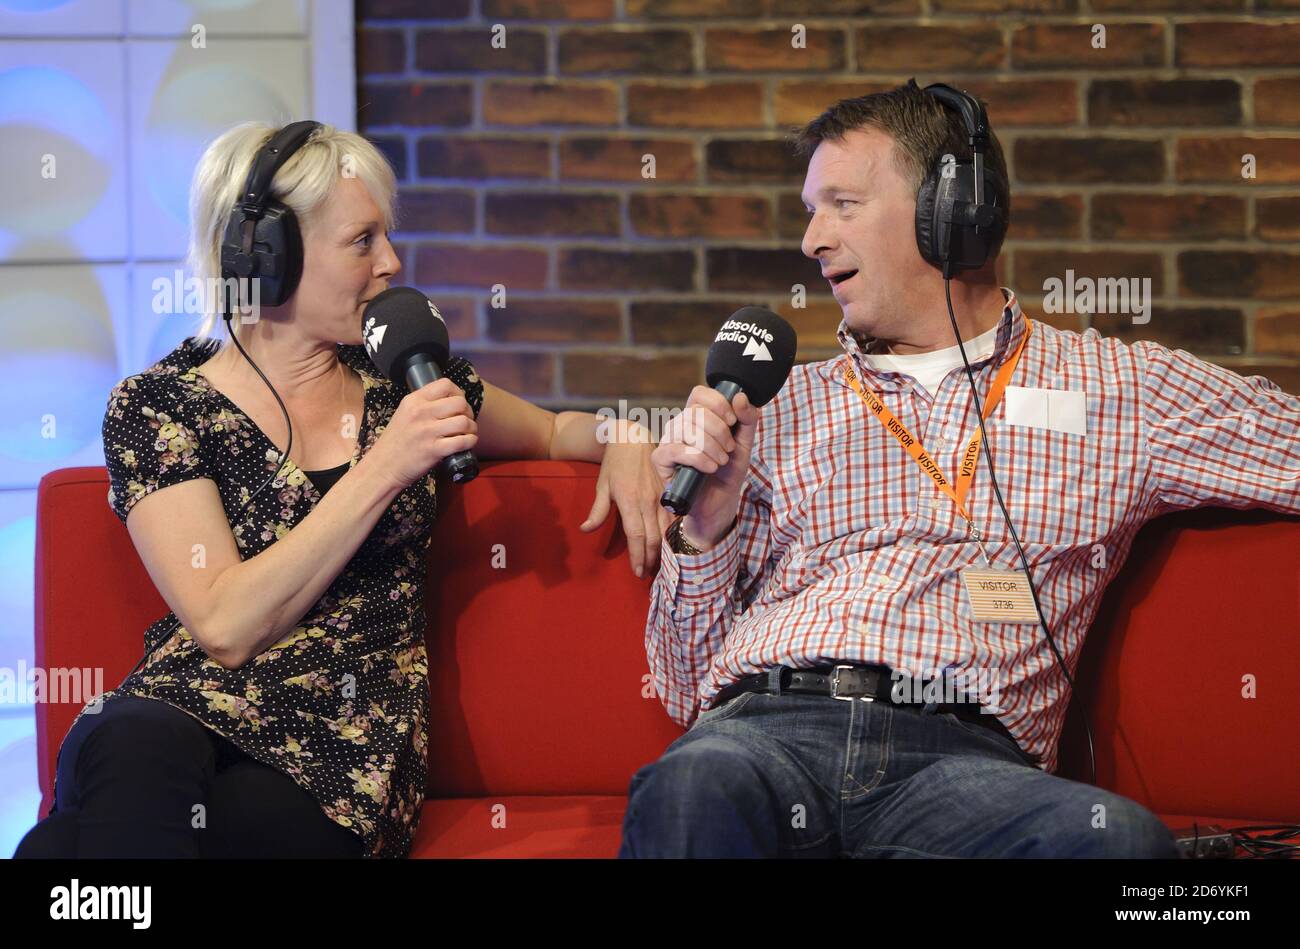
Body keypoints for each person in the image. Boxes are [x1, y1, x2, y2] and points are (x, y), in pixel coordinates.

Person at [621, 80, 1300, 858]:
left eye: (842, 204)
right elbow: (683, 688)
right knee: (689, 786)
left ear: (951, 212)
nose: (811, 240)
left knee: (1119, 842)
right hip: (766, 734)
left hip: (964, 769)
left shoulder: (1118, 390)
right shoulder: (771, 407)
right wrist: (705, 530)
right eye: (811, 210)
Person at [14, 120, 667, 859]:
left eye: (387, 237)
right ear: (265, 256)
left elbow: (552, 432)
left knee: (64, 850)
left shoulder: (409, 384)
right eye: (362, 241)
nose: (392, 262)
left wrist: (625, 435)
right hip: (183, 708)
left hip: (341, 747)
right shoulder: (160, 407)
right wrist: (384, 467)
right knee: (133, 738)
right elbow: (224, 625)